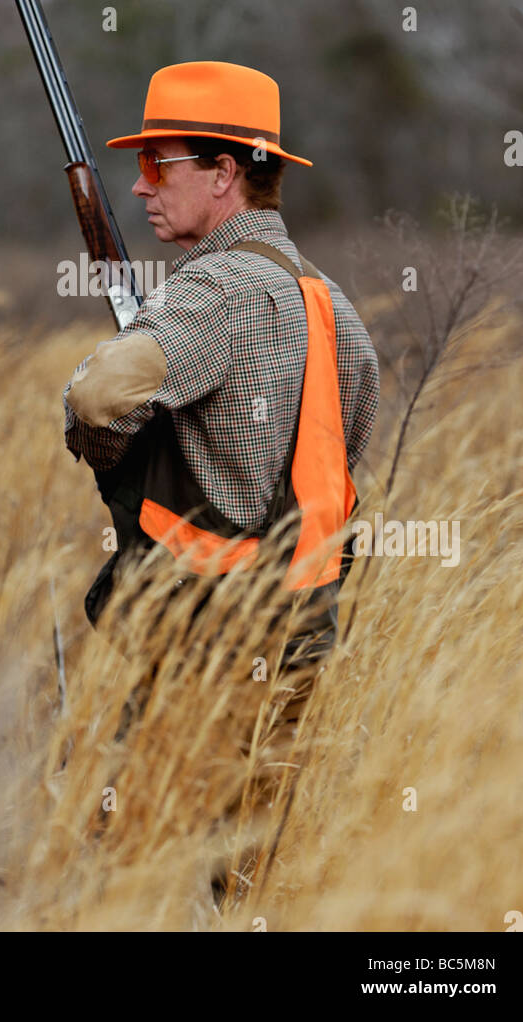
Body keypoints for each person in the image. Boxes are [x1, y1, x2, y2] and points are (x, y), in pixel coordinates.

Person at [63, 61, 380, 891]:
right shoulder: (336, 310)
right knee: (238, 875)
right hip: (304, 630)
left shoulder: (218, 290)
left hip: (202, 635)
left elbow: (99, 398)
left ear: (224, 173)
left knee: (133, 864)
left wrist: (119, 465)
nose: (138, 188)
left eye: (157, 165)